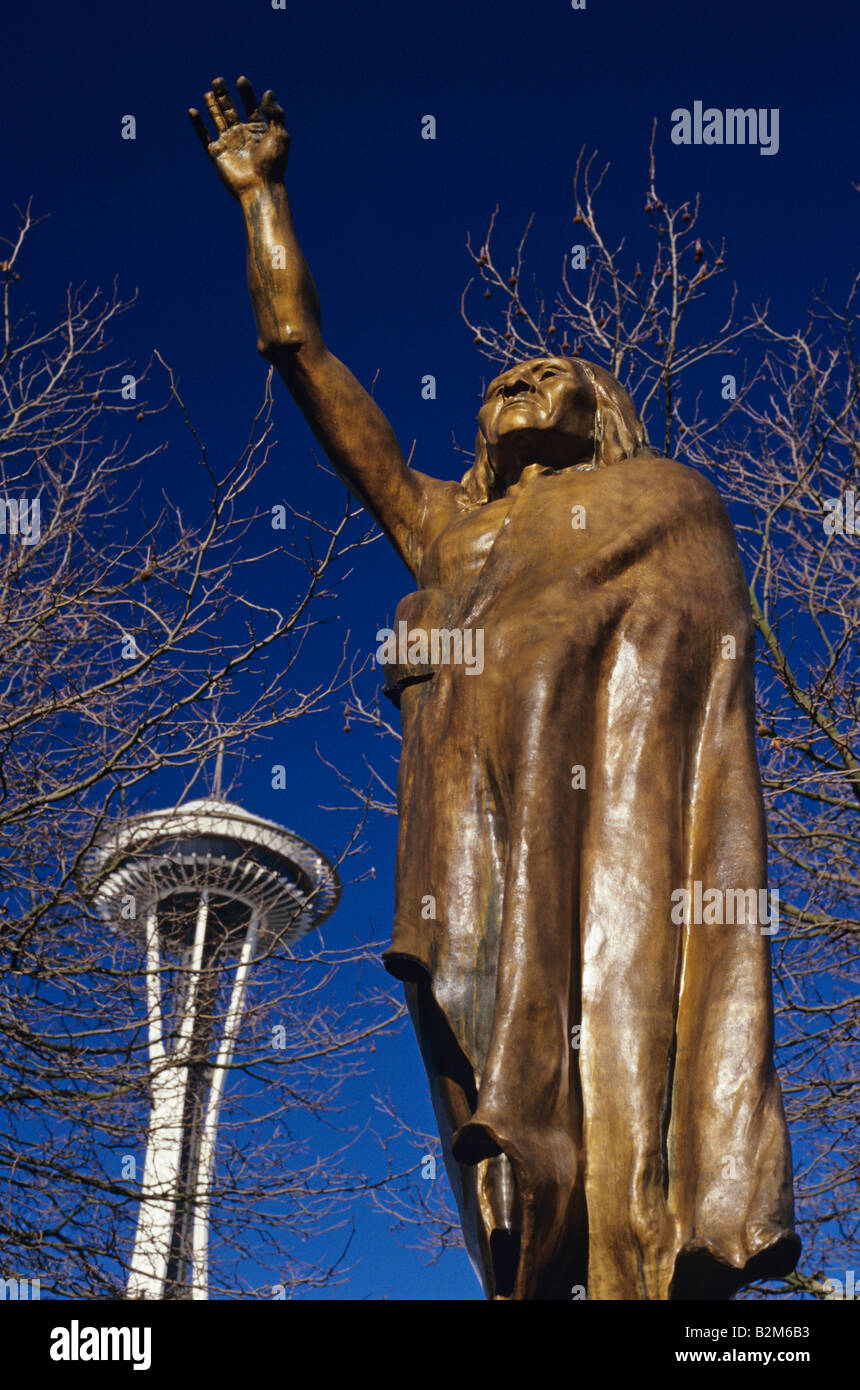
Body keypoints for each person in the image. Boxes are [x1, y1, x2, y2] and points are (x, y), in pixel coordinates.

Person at [189, 77, 800, 1300]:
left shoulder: (662, 499)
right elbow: (300, 355)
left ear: (597, 410)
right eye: (495, 381)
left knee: (628, 1056)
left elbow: (692, 667)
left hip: (621, 821)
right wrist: (264, 198)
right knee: (492, 1120)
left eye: (544, 371)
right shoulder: (452, 528)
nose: (513, 382)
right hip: (473, 848)